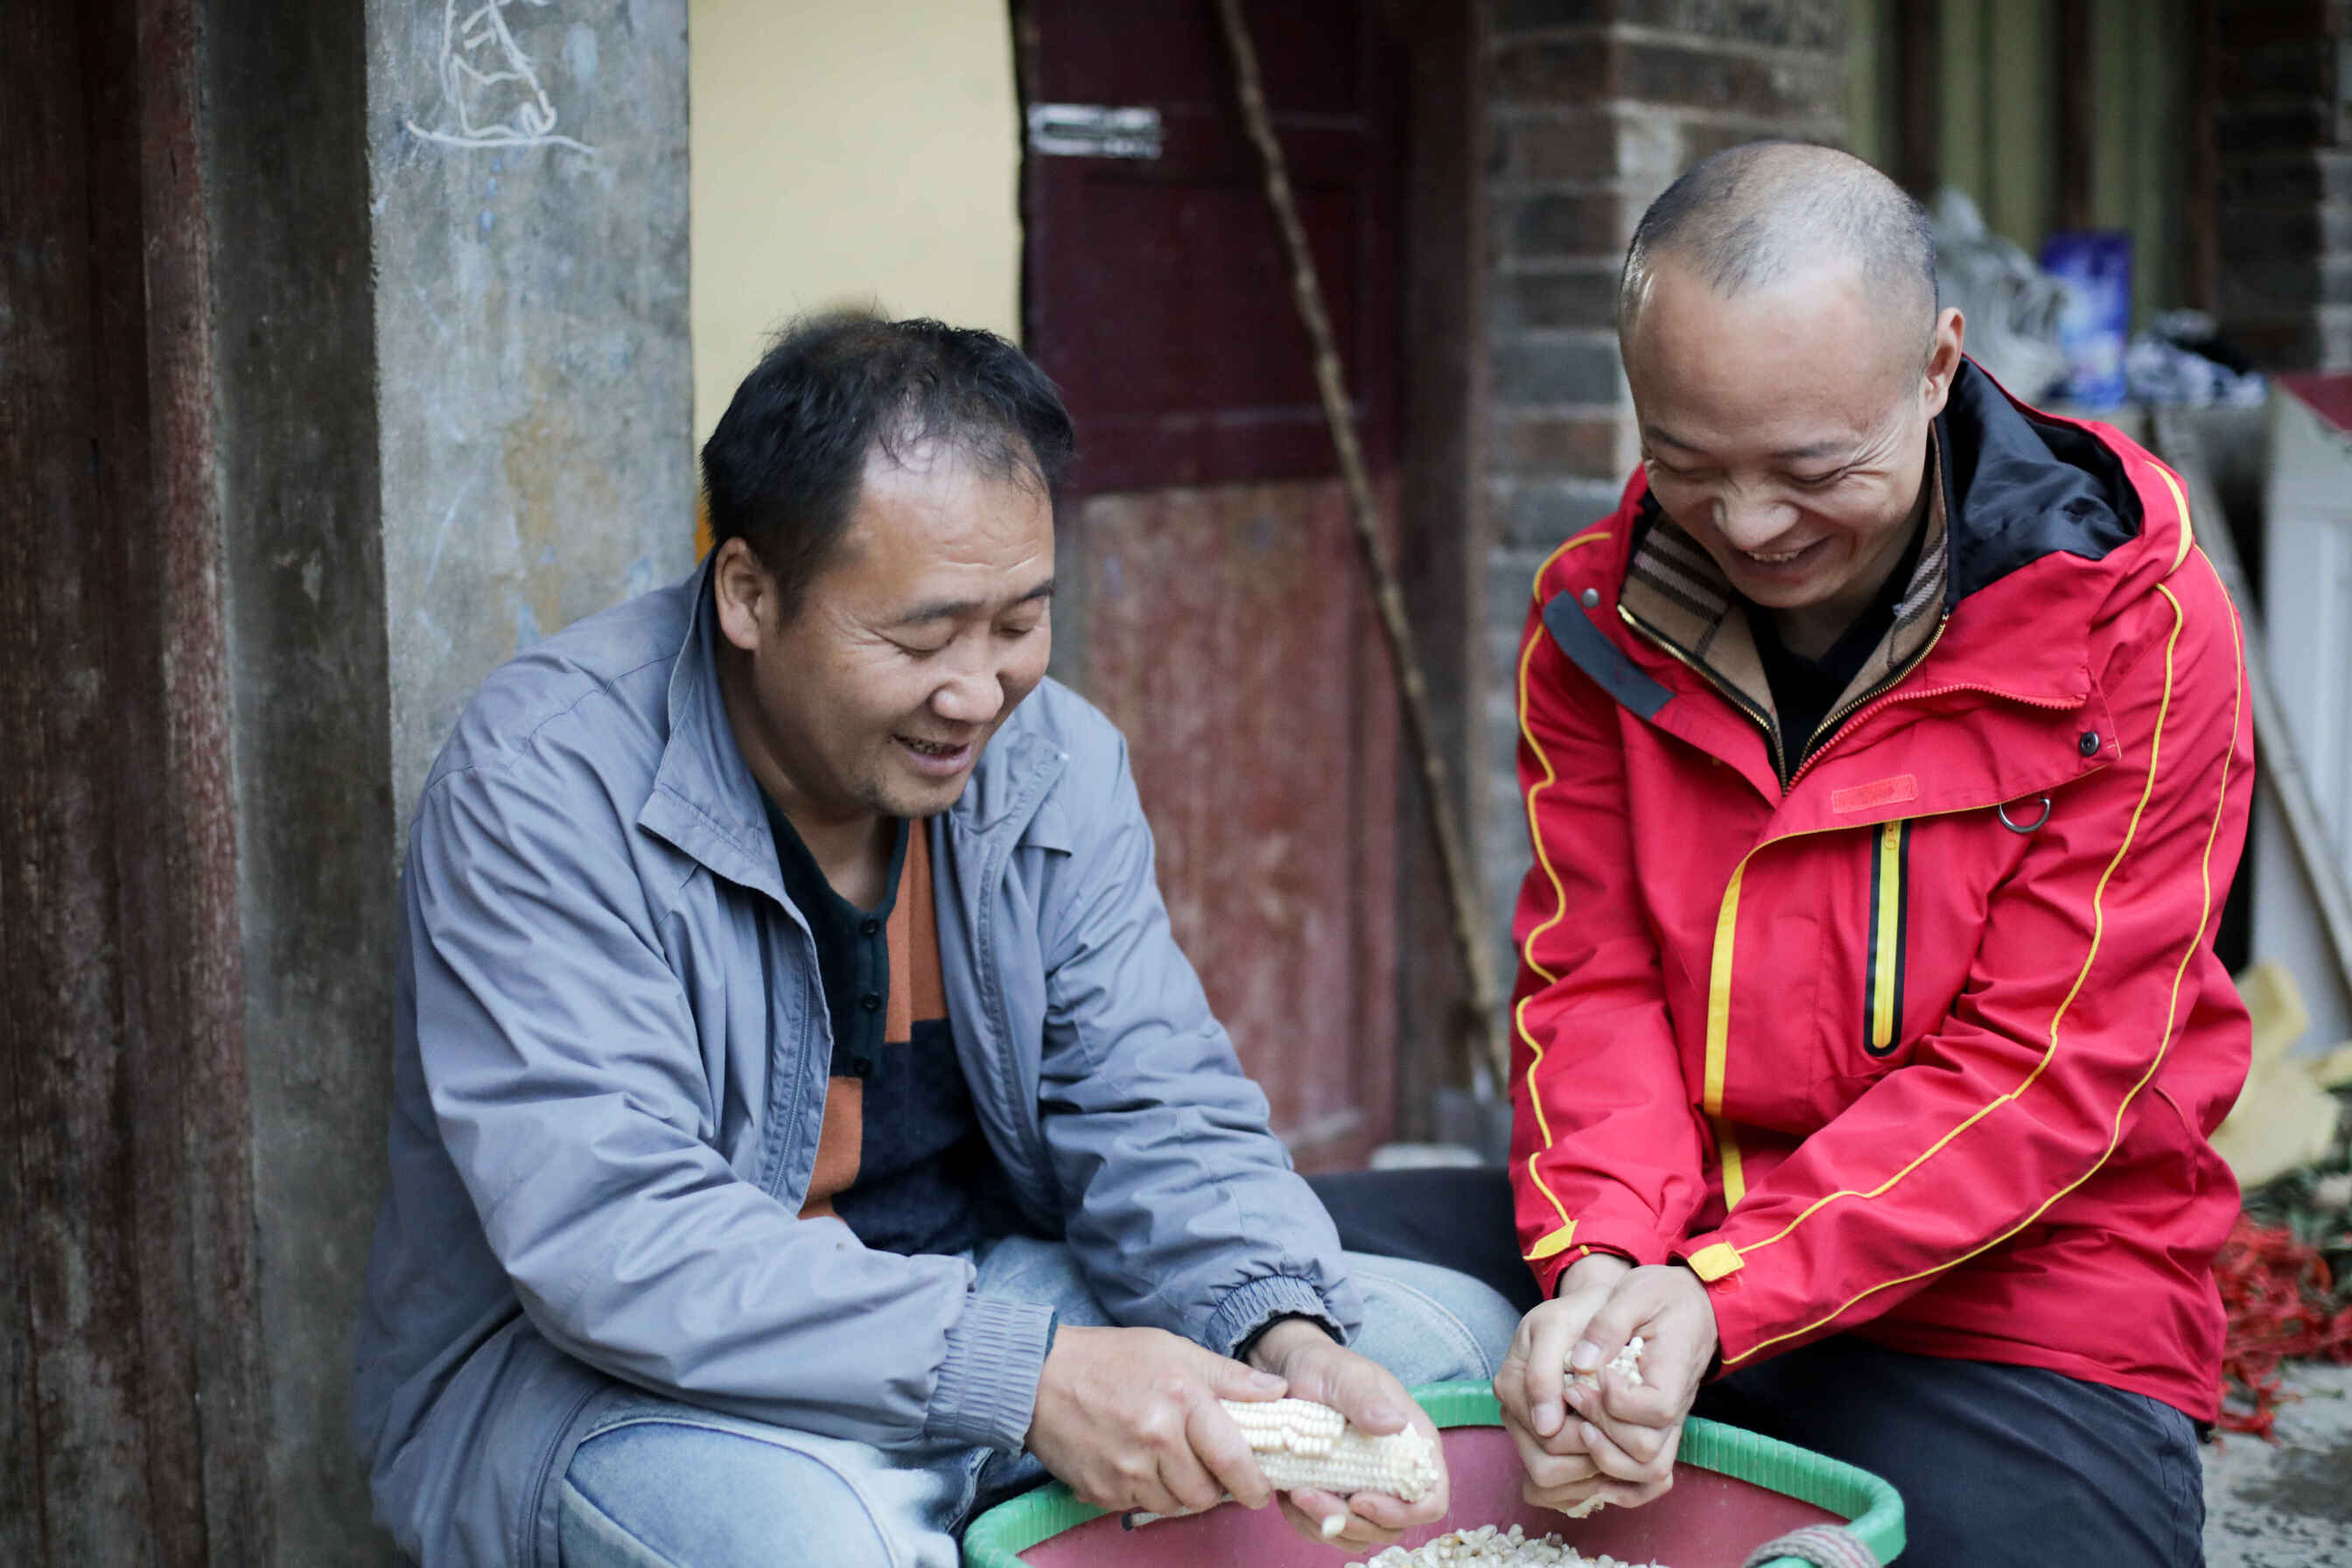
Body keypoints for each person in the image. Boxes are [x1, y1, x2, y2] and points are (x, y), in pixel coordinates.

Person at [352, 314, 1521, 1568]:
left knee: (1440, 1345)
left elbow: (1155, 1106)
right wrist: (1029, 1383)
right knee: (828, 1544)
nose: (976, 694)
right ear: (749, 592)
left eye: (1018, 624)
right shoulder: (546, 781)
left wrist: (1275, 1328)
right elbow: (621, 1244)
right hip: (609, 1378)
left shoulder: (1055, 763)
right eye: (919, 639)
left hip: (981, 1296)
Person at [1487, 143, 2250, 1566]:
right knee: (1321, 1306)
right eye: (1689, 466)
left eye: (1814, 470)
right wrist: (1598, 1265)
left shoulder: (2127, 625)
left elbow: (2048, 1067)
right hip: (1675, 1230)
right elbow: (1589, 982)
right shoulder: (1595, 618)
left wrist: (1729, 1287)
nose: (1754, 527)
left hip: (2027, 1292)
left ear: (1939, 365)